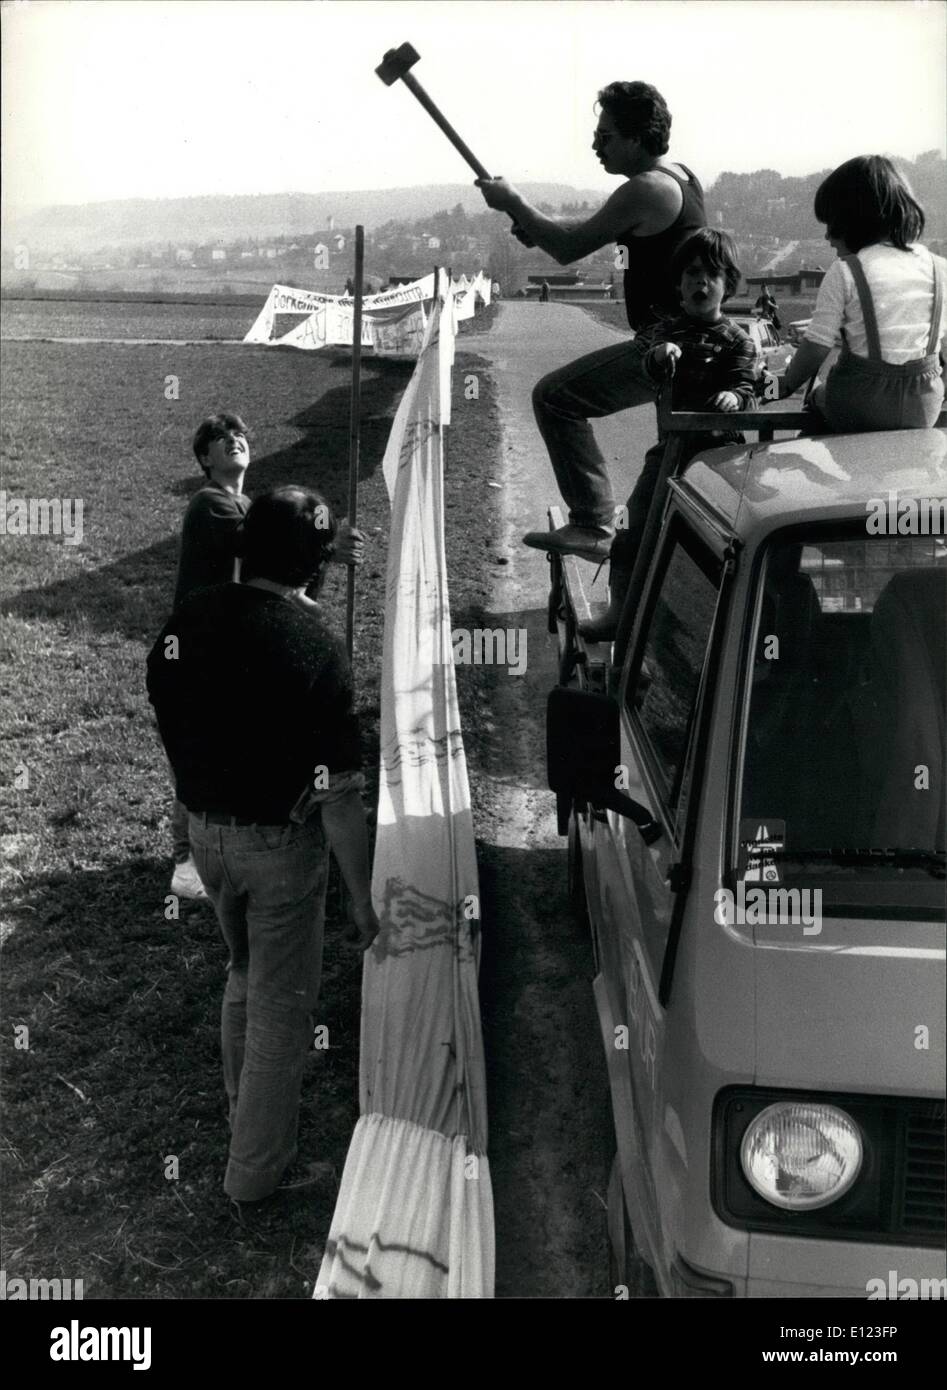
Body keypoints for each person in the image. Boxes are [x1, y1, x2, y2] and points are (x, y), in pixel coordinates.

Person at [147, 486, 379, 1207]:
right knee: (282, 1009)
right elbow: (339, 797)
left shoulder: (189, 619)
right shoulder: (316, 646)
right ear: (317, 563)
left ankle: (241, 1117)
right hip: (280, 851)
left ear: (246, 548)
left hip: (207, 838)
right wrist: (363, 901)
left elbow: (168, 711)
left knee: (245, 973)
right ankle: (256, 1172)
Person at [476, 80, 706, 561]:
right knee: (666, 469)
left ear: (638, 138)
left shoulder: (644, 189)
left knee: (555, 399)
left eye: (606, 136)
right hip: (686, 342)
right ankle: (630, 560)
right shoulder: (679, 176)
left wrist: (513, 202)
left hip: (666, 345)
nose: (595, 146)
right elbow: (579, 234)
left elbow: (567, 247)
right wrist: (535, 226)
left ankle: (592, 524)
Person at [168, 412, 364, 900]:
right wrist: (325, 545)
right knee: (198, 744)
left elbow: (280, 572)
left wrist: (311, 570)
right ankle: (185, 861)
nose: (234, 439)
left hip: (234, 644)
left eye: (239, 433)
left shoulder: (247, 505)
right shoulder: (210, 503)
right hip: (202, 646)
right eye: (219, 437)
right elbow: (269, 547)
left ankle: (216, 843)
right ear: (204, 458)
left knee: (219, 740)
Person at [580, 230, 758, 641]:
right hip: (671, 451)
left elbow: (748, 388)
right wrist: (660, 356)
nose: (701, 282)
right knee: (633, 527)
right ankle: (619, 614)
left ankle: (724, 625)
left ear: (728, 284)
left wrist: (735, 396)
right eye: (692, 273)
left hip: (721, 456)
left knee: (722, 541)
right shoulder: (667, 333)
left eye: (712, 275)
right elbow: (648, 366)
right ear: (678, 283)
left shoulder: (739, 341)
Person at [775, 156, 945, 431]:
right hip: (923, 409)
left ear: (851, 220)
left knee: (816, 397)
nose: (827, 237)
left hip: (857, 407)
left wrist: (774, 387)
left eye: (830, 224)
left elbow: (815, 347)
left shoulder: (846, 271)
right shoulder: (941, 269)